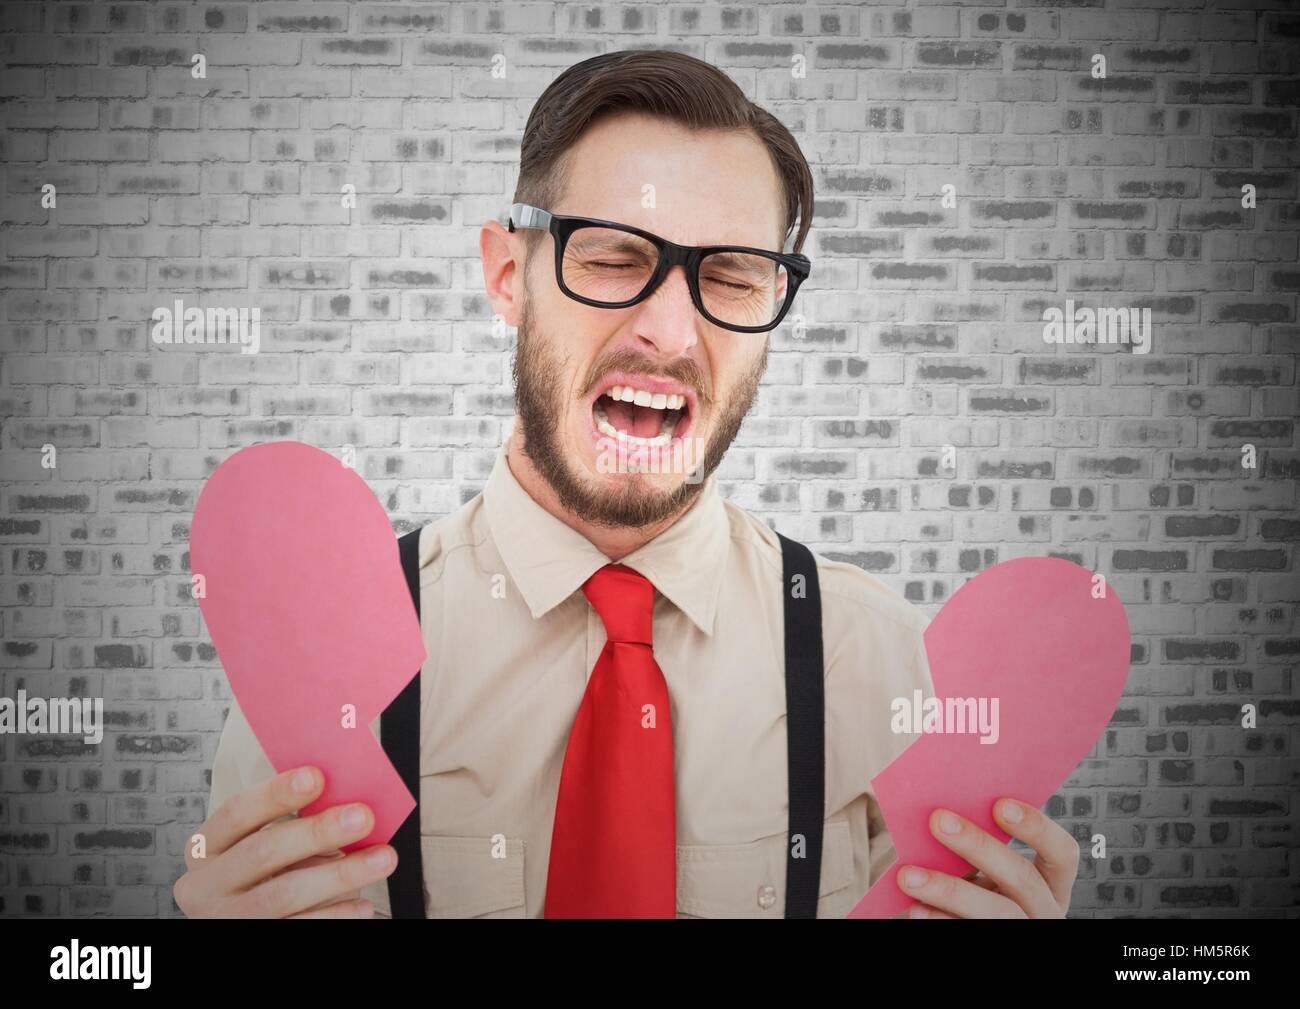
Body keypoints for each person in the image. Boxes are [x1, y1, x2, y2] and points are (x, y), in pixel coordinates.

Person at [174, 50, 1080, 919]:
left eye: (730, 275)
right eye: (613, 257)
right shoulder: (325, 662)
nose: (671, 332)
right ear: (506, 274)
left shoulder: (872, 654)